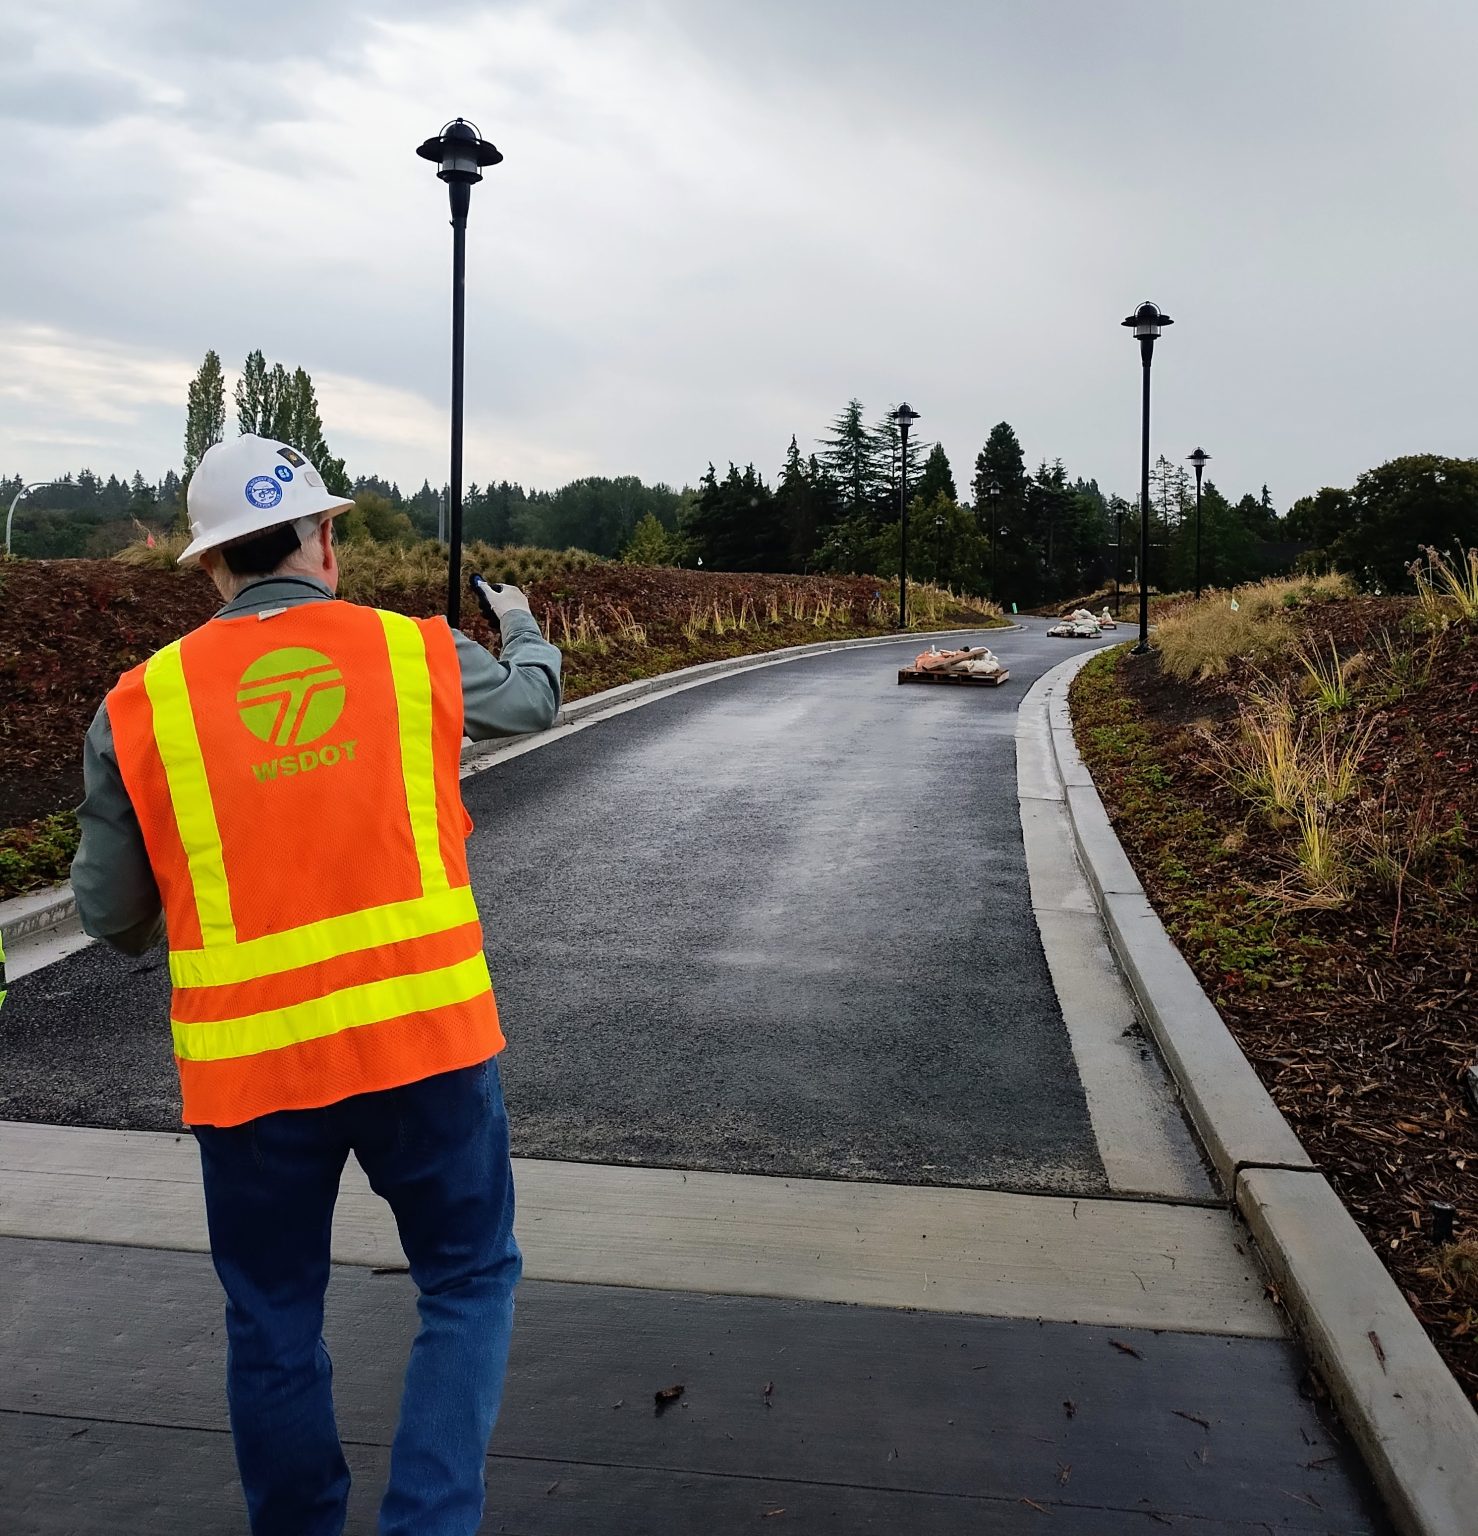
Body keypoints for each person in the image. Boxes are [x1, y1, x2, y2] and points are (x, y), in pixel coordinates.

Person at [70, 433, 562, 1536]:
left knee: (273, 1317)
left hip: (252, 1075)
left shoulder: (142, 704)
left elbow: (110, 913)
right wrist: (521, 621)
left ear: (210, 563)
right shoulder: (413, 653)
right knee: (466, 1279)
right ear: (325, 539)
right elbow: (533, 705)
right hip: (425, 1046)